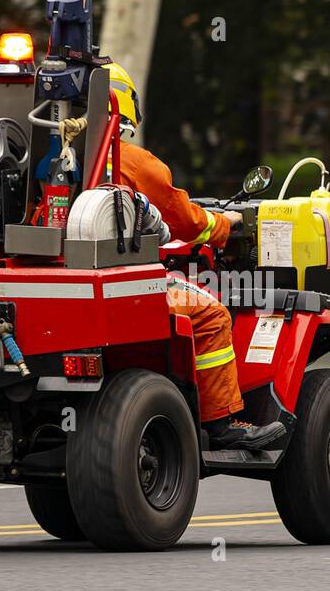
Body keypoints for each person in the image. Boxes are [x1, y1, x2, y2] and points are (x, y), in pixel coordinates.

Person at [106, 62, 285, 451]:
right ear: (122, 107)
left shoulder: (44, 161)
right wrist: (224, 225)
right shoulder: (130, 161)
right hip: (121, 280)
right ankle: (221, 424)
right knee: (212, 315)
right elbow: (184, 220)